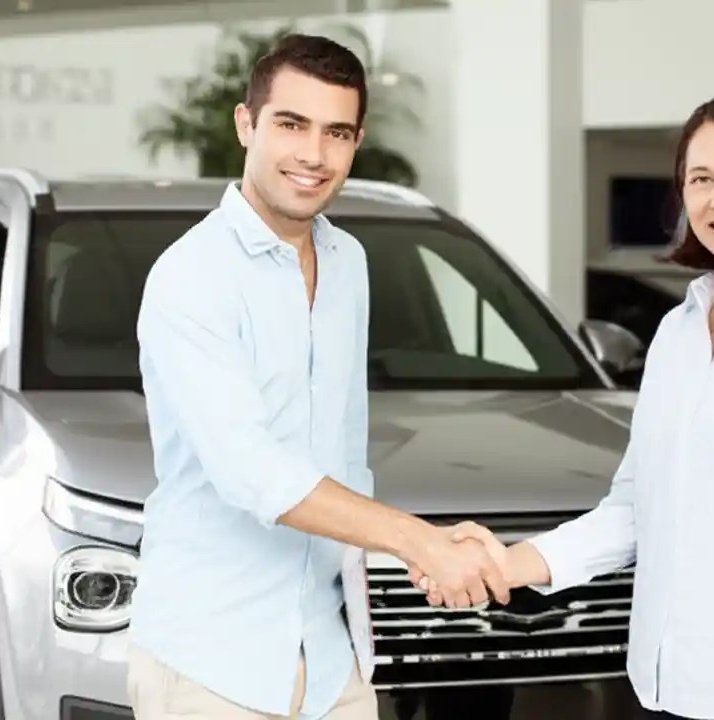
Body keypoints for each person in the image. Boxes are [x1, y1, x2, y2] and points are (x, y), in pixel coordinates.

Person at [434, 90, 714, 720]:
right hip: (665, 688)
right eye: (701, 179)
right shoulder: (677, 332)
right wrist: (510, 562)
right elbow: (636, 508)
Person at [128, 34, 508, 720]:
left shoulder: (348, 262)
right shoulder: (190, 277)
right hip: (213, 662)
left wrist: (412, 558)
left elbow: (344, 453)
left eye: (336, 132)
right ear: (246, 125)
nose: (313, 154)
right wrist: (420, 540)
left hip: (330, 657)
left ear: (357, 140)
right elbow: (253, 471)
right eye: (291, 125)